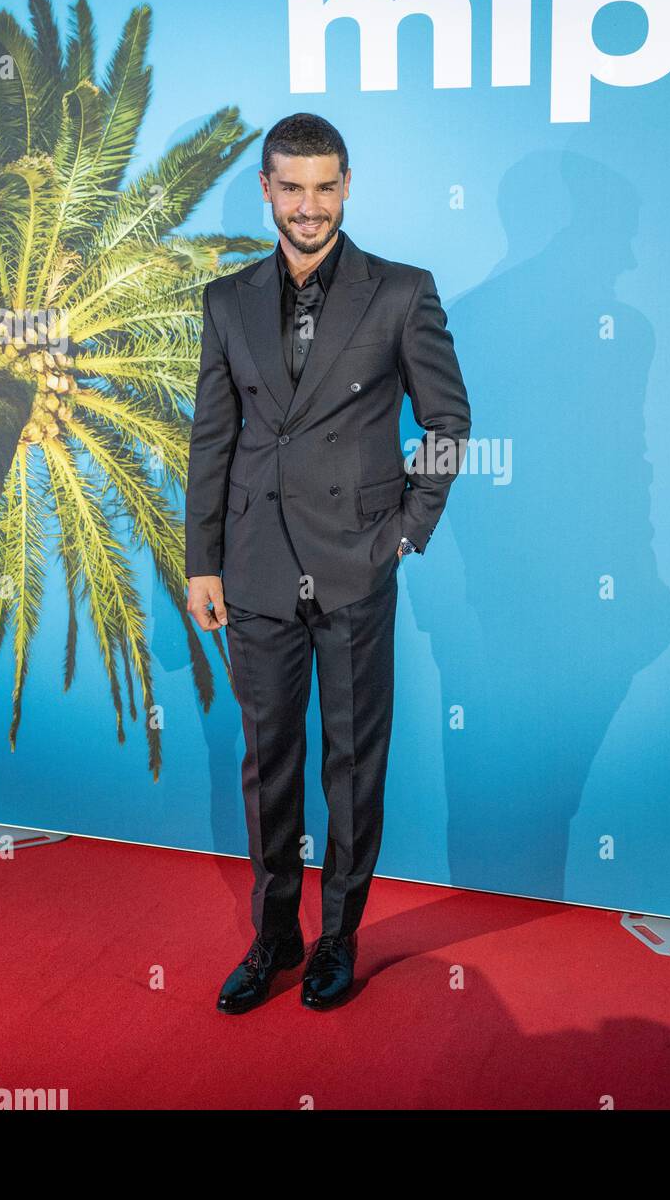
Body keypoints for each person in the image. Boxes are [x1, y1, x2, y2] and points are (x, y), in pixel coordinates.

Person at [186, 112, 470, 1011]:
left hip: (354, 567)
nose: (308, 206)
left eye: (325, 186)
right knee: (268, 763)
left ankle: (340, 938)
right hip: (257, 566)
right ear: (267, 191)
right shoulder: (226, 301)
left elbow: (448, 423)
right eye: (291, 187)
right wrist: (204, 563)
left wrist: (405, 530)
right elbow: (210, 439)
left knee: (353, 765)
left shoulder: (400, 292)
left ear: (346, 187)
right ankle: (276, 937)